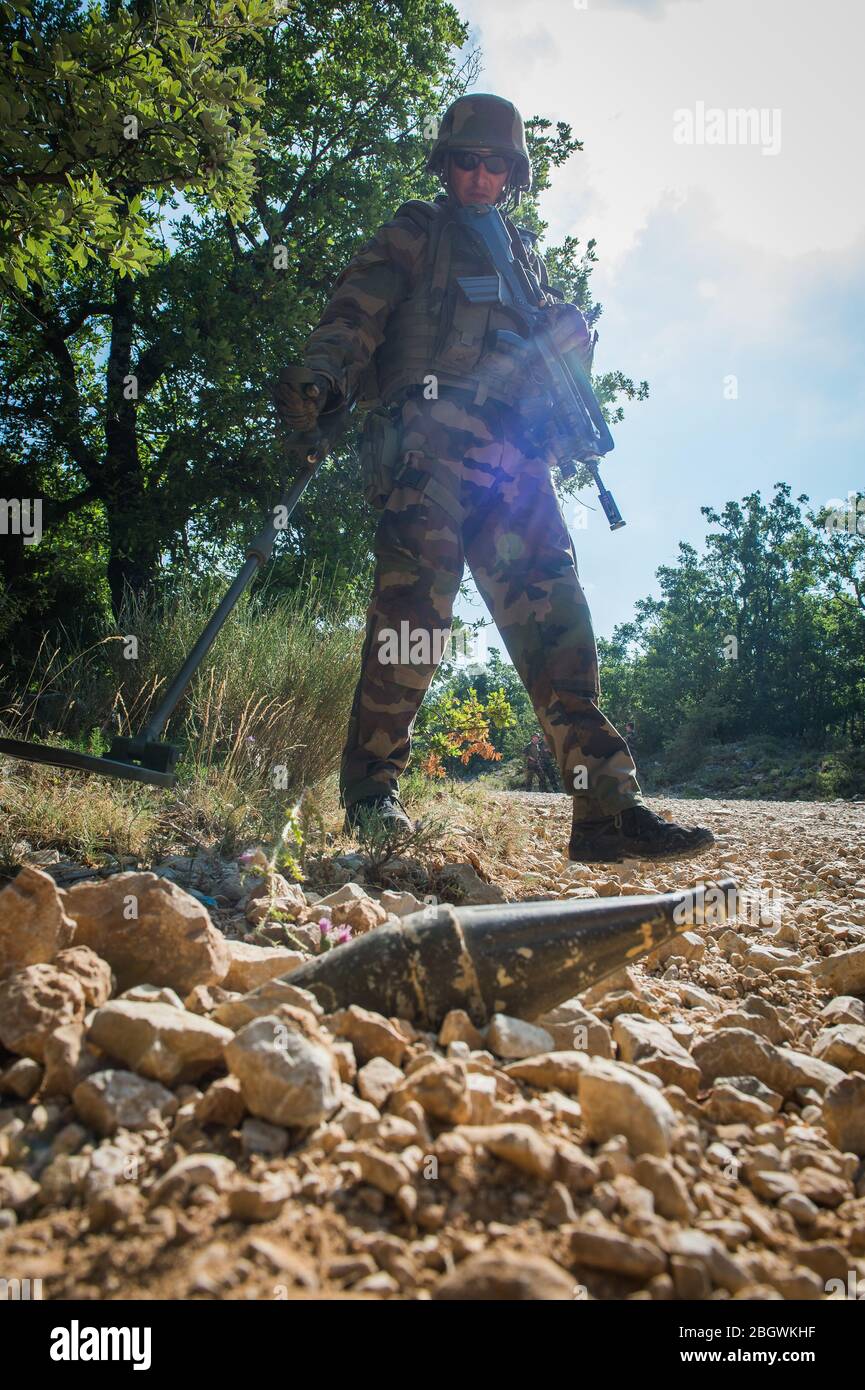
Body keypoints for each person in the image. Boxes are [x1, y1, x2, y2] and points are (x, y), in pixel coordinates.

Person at [275, 93, 714, 862]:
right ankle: (373, 798)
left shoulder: (524, 257)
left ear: (511, 174)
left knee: (559, 630)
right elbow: (355, 313)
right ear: (446, 164)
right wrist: (320, 377)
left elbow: (549, 363)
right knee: (412, 625)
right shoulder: (418, 228)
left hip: (516, 463)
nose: (480, 176)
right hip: (428, 451)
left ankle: (604, 811)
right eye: (467, 161)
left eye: (495, 165)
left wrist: (571, 339)